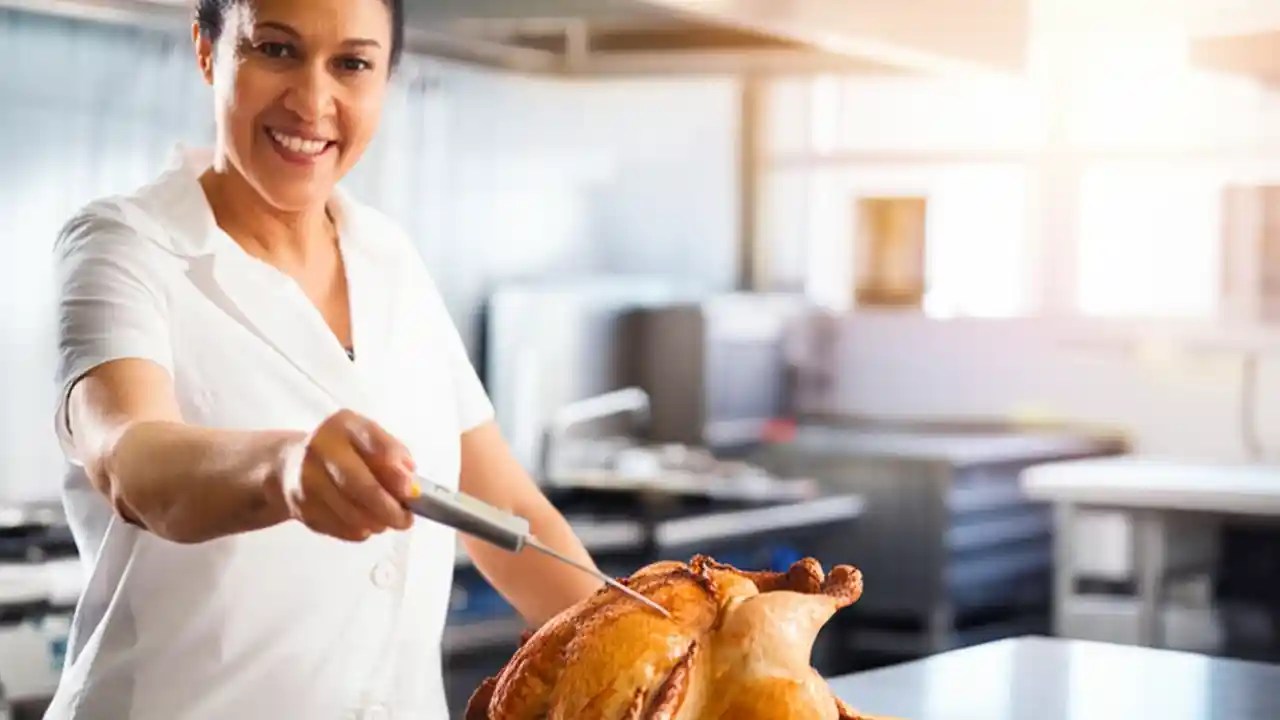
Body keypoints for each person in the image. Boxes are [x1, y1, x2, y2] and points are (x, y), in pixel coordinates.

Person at [45, 0, 603, 717]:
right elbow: (132, 459)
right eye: (275, 50)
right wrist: (285, 471)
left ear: (385, 80)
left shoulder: (390, 258)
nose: (313, 101)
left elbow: (509, 510)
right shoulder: (122, 245)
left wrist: (674, 650)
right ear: (209, 52)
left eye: (352, 64)